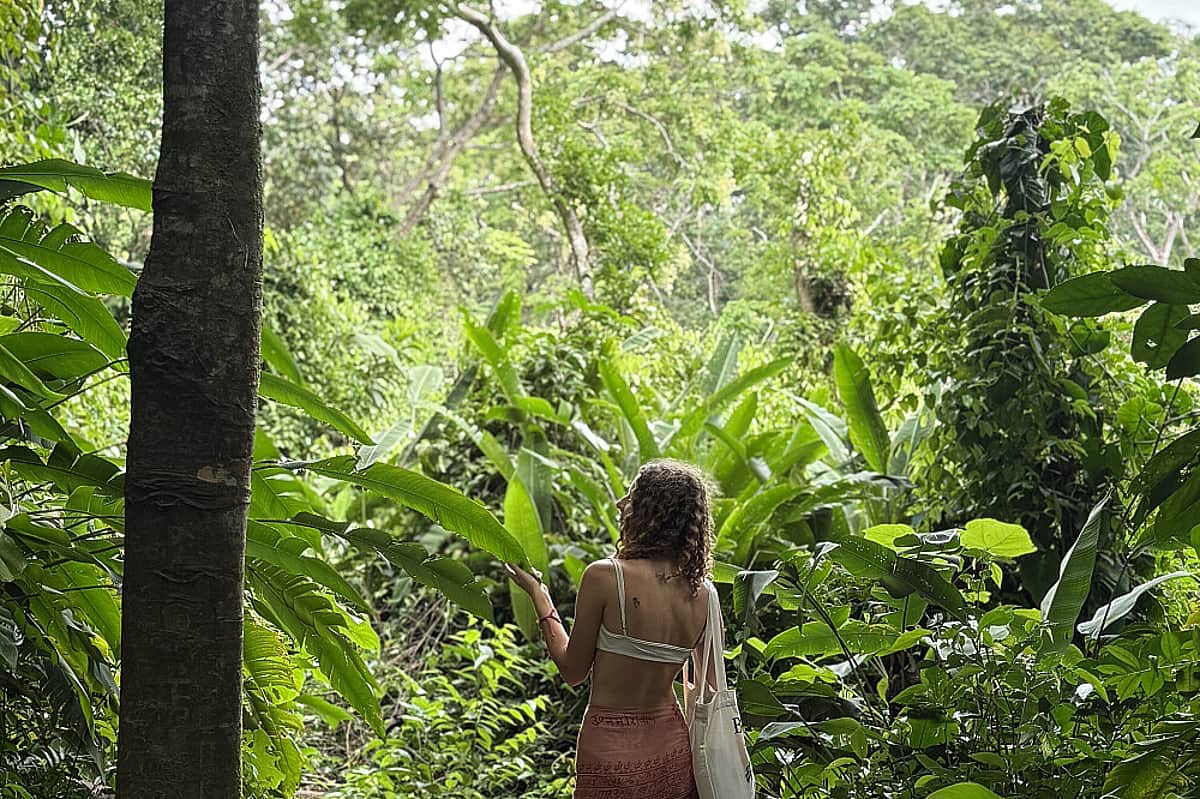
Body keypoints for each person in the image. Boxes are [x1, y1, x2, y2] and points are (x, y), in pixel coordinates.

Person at [505, 459, 718, 799]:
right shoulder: (703, 593)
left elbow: (573, 670)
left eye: (631, 496)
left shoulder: (605, 577)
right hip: (673, 751)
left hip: (610, 752)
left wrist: (539, 596)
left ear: (652, 511)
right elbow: (710, 686)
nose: (620, 504)